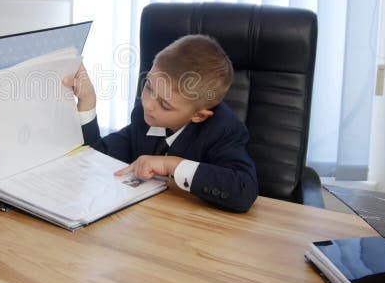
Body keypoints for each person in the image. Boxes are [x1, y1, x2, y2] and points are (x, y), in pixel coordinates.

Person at [65, 34, 258, 213]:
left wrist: (171, 165)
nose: (147, 104)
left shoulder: (223, 130)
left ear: (199, 116)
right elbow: (96, 159)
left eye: (164, 105)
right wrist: (87, 102)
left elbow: (244, 191)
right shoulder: (145, 116)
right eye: (148, 86)